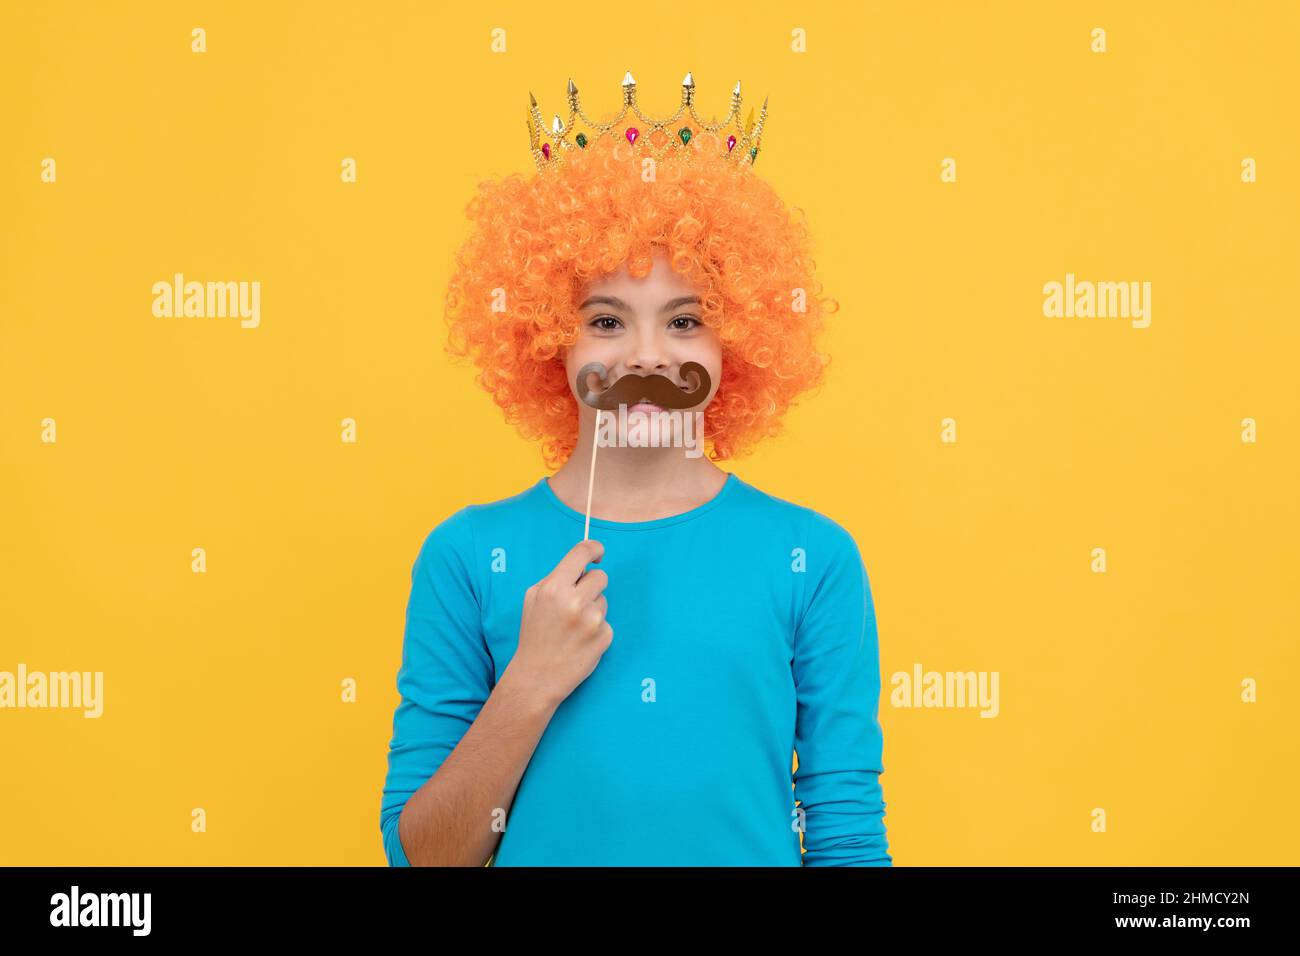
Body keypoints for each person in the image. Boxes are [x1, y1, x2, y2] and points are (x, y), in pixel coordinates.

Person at [380, 75, 892, 866]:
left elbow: (846, 835)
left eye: (686, 320)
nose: (649, 355)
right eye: (607, 321)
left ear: (738, 343)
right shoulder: (465, 555)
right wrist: (530, 681)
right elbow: (427, 857)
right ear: (550, 339)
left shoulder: (813, 558)